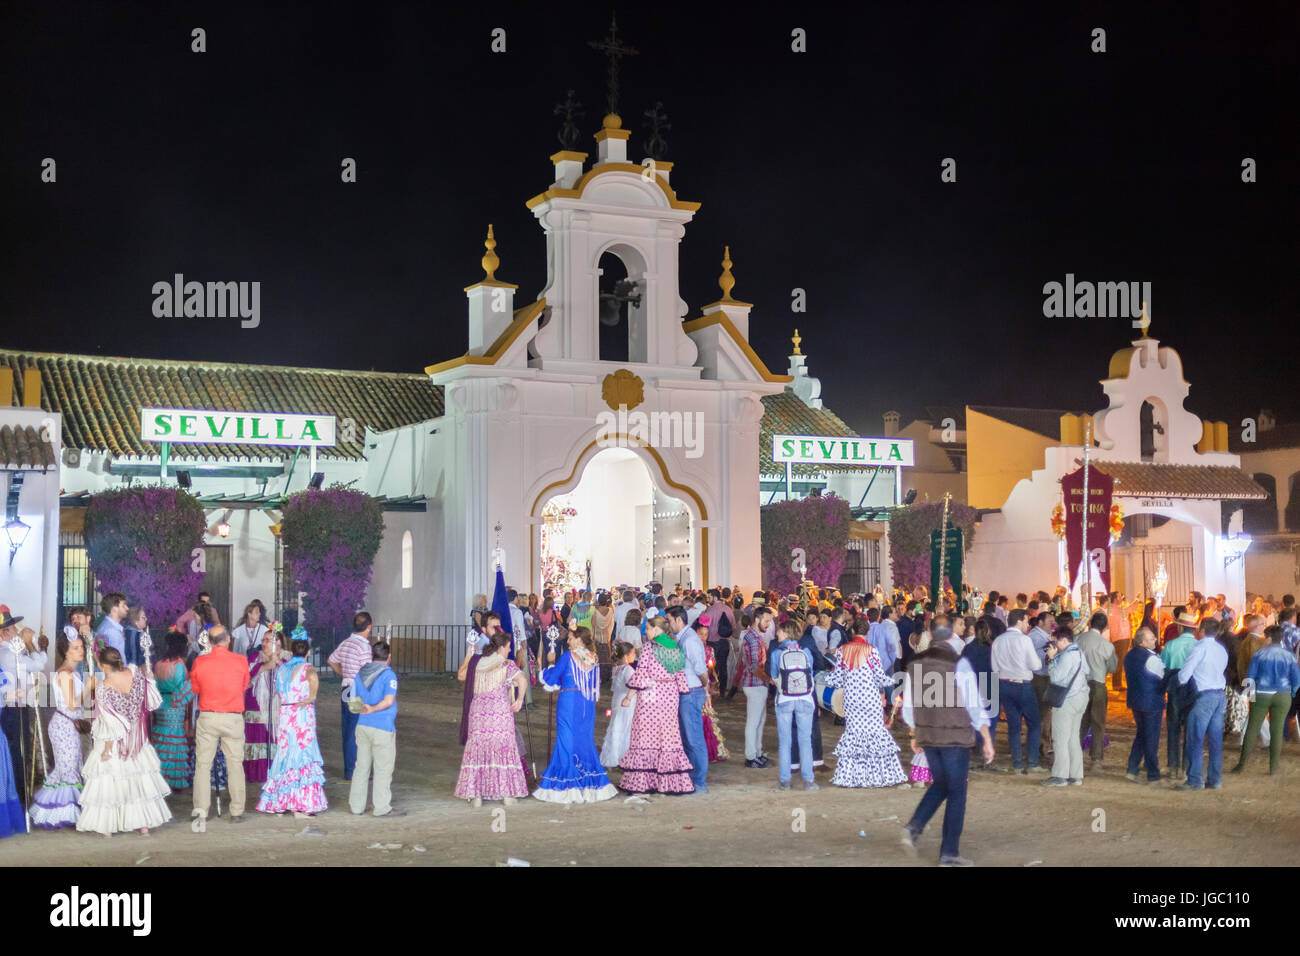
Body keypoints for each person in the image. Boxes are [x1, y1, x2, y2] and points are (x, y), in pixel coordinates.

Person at [900, 625, 995, 866]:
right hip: (954, 736)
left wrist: (914, 730)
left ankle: (915, 826)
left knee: (942, 784)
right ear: (952, 635)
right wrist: (986, 735)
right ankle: (949, 852)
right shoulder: (958, 663)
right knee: (957, 792)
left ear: (931, 636)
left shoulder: (915, 664)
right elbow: (973, 703)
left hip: (929, 735)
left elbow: (909, 704)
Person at [76, 646, 171, 836]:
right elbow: (150, 701)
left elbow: (109, 723)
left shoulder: (104, 688)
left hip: (117, 742)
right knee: (137, 781)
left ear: (103, 666)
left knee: (111, 782)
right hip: (137, 739)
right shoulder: (135, 674)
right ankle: (143, 825)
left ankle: (108, 828)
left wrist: (107, 749)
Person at [534, 626, 617, 803]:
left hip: (570, 701)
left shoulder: (567, 656)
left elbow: (552, 678)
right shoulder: (593, 658)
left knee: (566, 739)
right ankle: (588, 780)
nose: (569, 641)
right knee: (584, 738)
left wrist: (549, 662)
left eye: (571, 638)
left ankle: (568, 782)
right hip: (587, 702)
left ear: (579, 639)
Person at [619, 617, 694, 794]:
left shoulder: (649, 647)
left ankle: (644, 782)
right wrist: (680, 689)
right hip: (670, 694)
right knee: (668, 735)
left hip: (650, 693)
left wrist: (629, 696)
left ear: (655, 629)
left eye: (648, 629)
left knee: (645, 734)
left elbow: (642, 672)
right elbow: (680, 673)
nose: (646, 632)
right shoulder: (675, 646)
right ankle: (671, 782)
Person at [824, 626, 905, 788]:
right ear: (867, 632)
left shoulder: (842, 650)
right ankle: (878, 776)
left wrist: (832, 680)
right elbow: (879, 677)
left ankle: (851, 776)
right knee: (875, 733)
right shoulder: (871, 650)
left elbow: (837, 678)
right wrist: (894, 682)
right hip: (870, 699)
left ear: (854, 632)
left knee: (854, 734)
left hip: (852, 699)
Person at [257, 631, 328, 817]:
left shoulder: (283, 669)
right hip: (301, 715)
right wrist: (311, 697)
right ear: (308, 652)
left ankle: (281, 800)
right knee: (302, 754)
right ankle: (301, 803)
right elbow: (313, 679)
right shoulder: (307, 667)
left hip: (285, 714)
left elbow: (278, 691)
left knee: (285, 754)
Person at [455, 631, 529, 806]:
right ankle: (507, 794)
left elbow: (460, 676)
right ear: (501, 647)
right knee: (503, 748)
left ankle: (477, 795)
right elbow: (522, 680)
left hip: (478, 714)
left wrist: (468, 655)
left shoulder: (476, 662)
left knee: (479, 749)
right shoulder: (506, 664)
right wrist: (519, 700)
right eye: (508, 648)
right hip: (499, 713)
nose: (509, 651)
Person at [189, 625, 250, 831]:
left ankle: (201, 810)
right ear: (228, 640)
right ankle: (237, 810)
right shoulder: (241, 661)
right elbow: (243, 686)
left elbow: (195, 688)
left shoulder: (200, 661)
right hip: (232, 717)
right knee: (235, 764)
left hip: (208, 717)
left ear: (211, 642)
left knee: (203, 765)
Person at [30, 632, 89, 829]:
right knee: (68, 768)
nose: (81, 650)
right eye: (76, 648)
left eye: (81, 646)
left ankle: (67, 812)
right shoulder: (65, 673)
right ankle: (59, 813)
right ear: (66, 651)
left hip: (69, 724)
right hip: (64, 724)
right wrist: (89, 688)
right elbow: (72, 704)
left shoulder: (72, 671)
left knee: (70, 767)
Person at [1233, 624, 1300, 775]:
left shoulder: (1260, 654)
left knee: (1252, 727)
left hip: (1262, 693)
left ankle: (1241, 764)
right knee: (1276, 730)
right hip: (1283, 695)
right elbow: (1297, 679)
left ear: (1269, 638)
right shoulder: (1289, 655)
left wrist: (1248, 694)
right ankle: (1273, 768)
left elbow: (1250, 676)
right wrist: (1292, 693)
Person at [349, 641, 402, 817]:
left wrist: (365, 710)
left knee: (361, 767)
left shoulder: (360, 673)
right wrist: (373, 708)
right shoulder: (389, 675)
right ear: (389, 658)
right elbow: (388, 701)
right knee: (383, 768)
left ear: (372, 656)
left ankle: (356, 806)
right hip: (383, 727)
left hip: (362, 725)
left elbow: (354, 700)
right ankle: (381, 807)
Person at [1174, 617, 1228, 791]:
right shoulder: (1221, 649)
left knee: (1195, 738)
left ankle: (1195, 779)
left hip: (1204, 696)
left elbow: (1184, 675)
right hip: (1220, 695)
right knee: (1215, 740)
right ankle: (1215, 778)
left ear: (1202, 630)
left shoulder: (1199, 648)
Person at [0, 605, 46, 805]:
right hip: (13, 709)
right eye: (13, 628)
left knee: (20, 751)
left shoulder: (12, 652)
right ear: (4, 633)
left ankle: (21, 795)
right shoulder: (8, 654)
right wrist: (34, 645)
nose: (18, 631)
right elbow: (38, 665)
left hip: (17, 707)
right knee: (17, 753)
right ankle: (19, 798)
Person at [992, 609, 1045, 773]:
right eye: (1027, 621)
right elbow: (1036, 665)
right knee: (1034, 724)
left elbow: (994, 668)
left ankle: (1017, 763)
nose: (1028, 624)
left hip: (1004, 684)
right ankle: (1033, 762)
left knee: (1014, 726)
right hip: (1022, 685)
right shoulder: (1024, 640)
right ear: (1020, 621)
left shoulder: (998, 641)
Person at [769, 620, 818, 792]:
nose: (777, 634)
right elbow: (810, 672)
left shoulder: (776, 653)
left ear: (786, 632)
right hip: (805, 699)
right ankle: (809, 780)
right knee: (805, 741)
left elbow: (774, 676)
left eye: (780, 631)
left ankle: (785, 781)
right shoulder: (806, 651)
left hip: (784, 700)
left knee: (785, 742)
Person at [327, 611, 373, 782]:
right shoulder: (364, 646)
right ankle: (356, 769)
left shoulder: (346, 643)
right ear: (369, 627)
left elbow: (331, 660)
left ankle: (349, 768)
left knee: (347, 729)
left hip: (346, 688)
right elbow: (367, 672)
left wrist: (343, 673)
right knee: (358, 730)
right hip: (357, 690)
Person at [1043, 626, 1090, 787]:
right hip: (1081, 697)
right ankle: (1075, 775)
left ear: (1064, 640)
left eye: (1056, 642)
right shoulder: (1079, 653)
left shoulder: (1067, 656)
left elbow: (1056, 677)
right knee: (1073, 738)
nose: (1055, 645)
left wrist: (1051, 659)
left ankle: (1060, 776)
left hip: (1067, 701)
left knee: (1060, 739)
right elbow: (1087, 671)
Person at [151, 631, 194, 790]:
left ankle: (159, 777)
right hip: (175, 706)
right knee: (175, 739)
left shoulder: (158, 663)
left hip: (160, 704)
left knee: (162, 738)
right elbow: (181, 687)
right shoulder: (179, 665)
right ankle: (173, 780)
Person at [1123, 626, 1166, 783]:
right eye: (1151, 639)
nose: (1155, 640)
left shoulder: (1128, 656)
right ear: (1142, 642)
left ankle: (1132, 768)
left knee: (1142, 734)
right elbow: (1163, 675)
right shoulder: (1152, 658)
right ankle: (1153, 774)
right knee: (1151, 737)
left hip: (1135, 700)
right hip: (1152, 701)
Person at [1160, 609, 1199, 780]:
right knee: (1190, 731)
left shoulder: (1170, 645)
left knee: (1173, 728)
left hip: (1176, 689)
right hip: (1194, 689)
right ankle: (1186, 768)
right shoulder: (1198, 646)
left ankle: (1173, 766)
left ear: (1181, 628)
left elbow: (1163, 668)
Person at [244, 627, 285, 784]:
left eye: (268, 640)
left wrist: (278, 663)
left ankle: (275, 770)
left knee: (275, 737)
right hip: (256, 704)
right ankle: (257, 772)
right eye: (263, 640)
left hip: (277, 705)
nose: (264, 643)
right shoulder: (255, 656)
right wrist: (264, 666)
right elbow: (246, 675)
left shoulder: (286, 659)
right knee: (257, 736)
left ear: (278, 644)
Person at [1076, 611, 1117, 768]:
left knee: (1080, 721)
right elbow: (1113, 668)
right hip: (1099, 684)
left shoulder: (1079, 639)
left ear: (1090, 623)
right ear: (1105, 627)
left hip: (1080, 685)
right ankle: (1096, 759)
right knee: (1098, 722)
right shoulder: (1106, 645)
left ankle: (1075, 752)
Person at [737, 610, 772, 769]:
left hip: (757, 683)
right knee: (754, 721)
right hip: (754, 683)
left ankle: (757, 753)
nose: (768, 624)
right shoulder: (752, 638)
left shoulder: (755, 637)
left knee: (759, 720)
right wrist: (768, 679)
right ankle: (751, 755)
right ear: (757, 619)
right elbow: (754, 667)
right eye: (766, 620)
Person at [600, 641, 637, 767]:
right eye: (633, 654)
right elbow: (634, 686)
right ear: (626, 656)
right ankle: (623, 756)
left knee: (616, 726)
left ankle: (613, 755)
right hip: (625, 702)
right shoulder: (628, 670)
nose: (635, 656)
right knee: (625, 727)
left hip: (616, 699)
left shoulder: (616, 668)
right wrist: (628, 697)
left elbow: (613, 687)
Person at [1027, 610, 1055, 761]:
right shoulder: (1036, 637)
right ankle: (1042, 746)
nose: (1053, 624)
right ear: (1040, 622)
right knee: (1043, 713)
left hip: (1043, 676)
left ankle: (1041, 745)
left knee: (1044, 712)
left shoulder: (1042, 636)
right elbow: (1037, 657)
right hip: (1039, 677)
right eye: (1050, 621)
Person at [94, 593, 129, 659]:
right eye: (123, 605)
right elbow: (117, 660)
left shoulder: (108, 626)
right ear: (114, 609)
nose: (127, 608)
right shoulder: (111, 631)